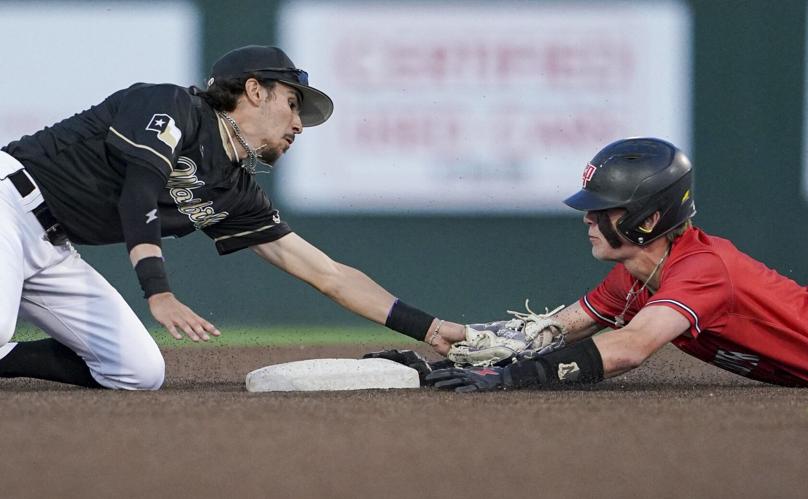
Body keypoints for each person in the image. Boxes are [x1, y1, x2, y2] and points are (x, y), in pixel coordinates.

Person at [0, 45, 464, 390]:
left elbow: (328, 274)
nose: (299, 124)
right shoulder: (172, 105)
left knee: (136, 372)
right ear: (255, 90)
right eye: (292, 103)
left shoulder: (235, 189)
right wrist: (157, 291)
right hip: (8, 202)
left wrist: (430, 328)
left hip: (50, 247)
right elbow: (136, 193)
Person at [426, 137, 808, 392]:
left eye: (601, 210)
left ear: (649, 217)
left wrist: (516, 379)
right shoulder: (636, 274)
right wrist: (459, 343)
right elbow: (551, 331)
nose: (587, 220)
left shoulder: (702, 269)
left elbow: (630, 349)